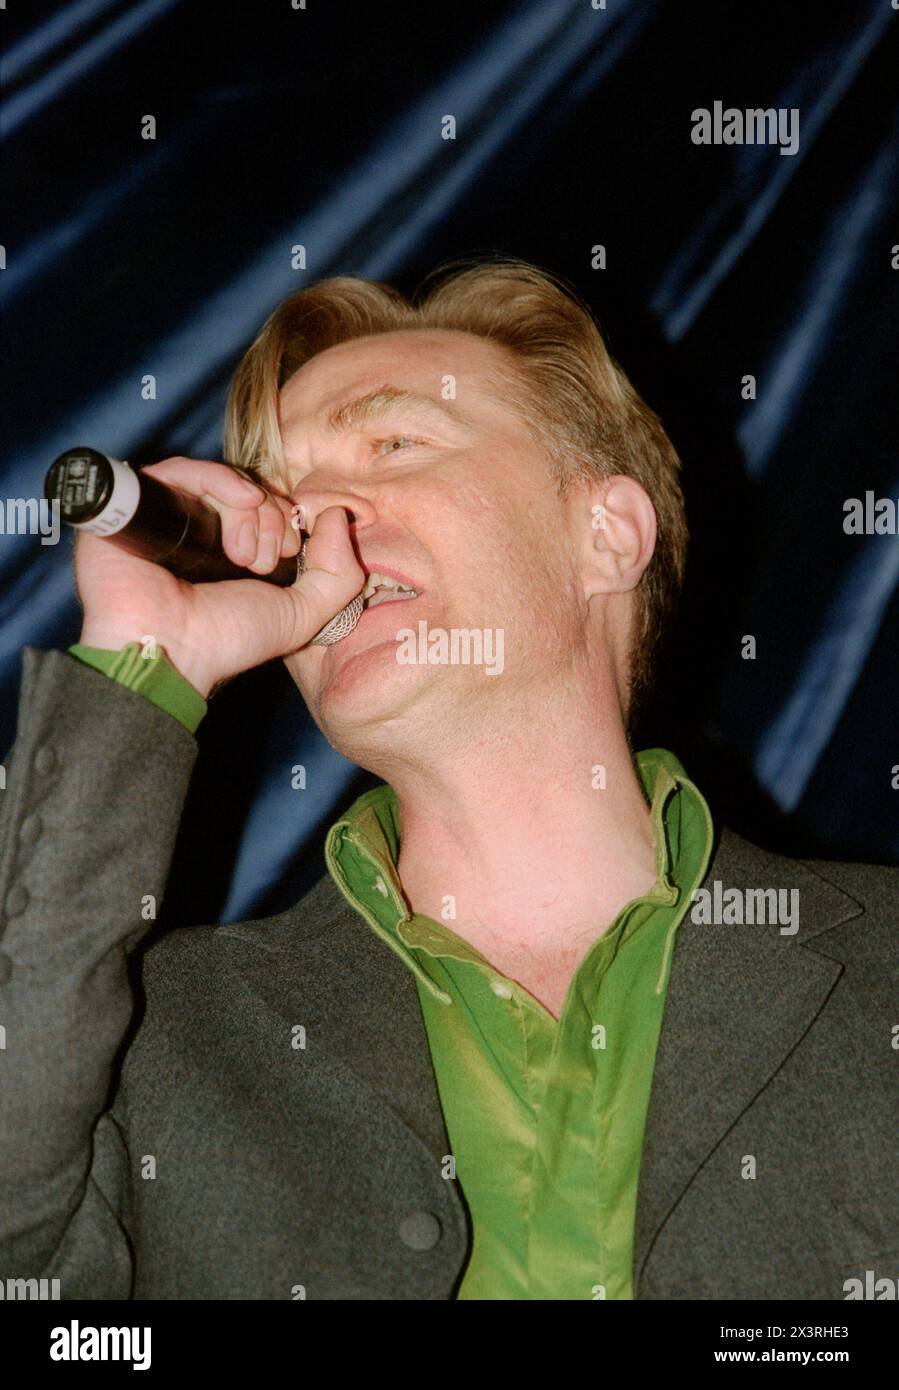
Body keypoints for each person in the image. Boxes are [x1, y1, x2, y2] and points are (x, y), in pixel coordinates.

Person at [0, 260, 894, 1300]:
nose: (310, 518)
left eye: (393, 443)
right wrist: (144, 656)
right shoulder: (159, 1038)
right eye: (287, 494)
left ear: (606, 533)